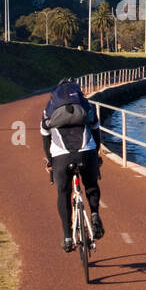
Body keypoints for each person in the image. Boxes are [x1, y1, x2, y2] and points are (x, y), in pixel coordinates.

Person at [40, 79, 105, 252]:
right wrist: (96, 154)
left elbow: (45, 137)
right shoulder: (85, 104)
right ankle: (94, 214)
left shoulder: (50, 107)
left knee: (63, 192)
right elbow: (96, 130)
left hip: (61, 155)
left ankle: (68, 237)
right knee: (91, 185)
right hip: (86, 150)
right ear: (77, 91)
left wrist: (50, 161)